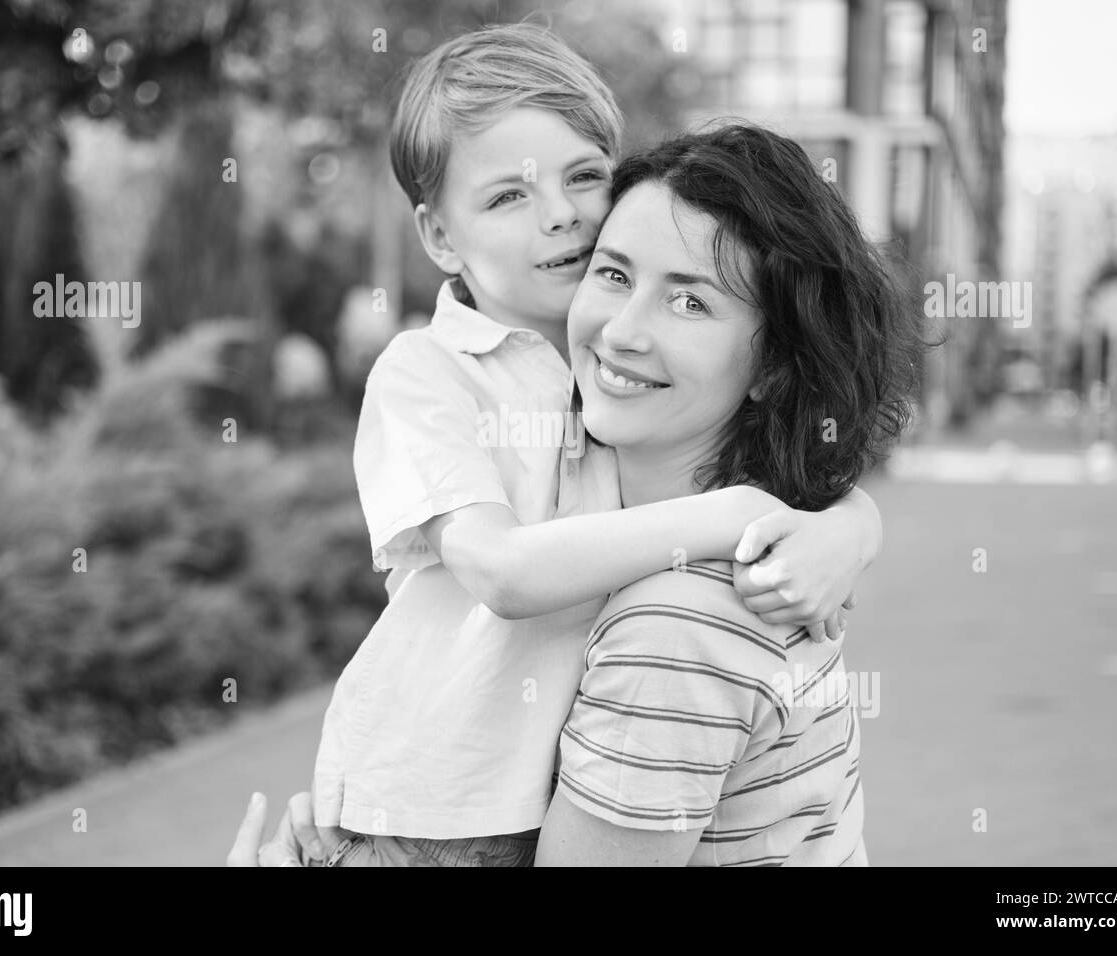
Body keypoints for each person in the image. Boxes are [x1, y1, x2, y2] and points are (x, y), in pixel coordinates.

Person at [230, 25, 882, 868]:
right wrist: (742, 516)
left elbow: (796, 486)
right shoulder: (428, 375)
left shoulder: (599, 378)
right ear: (437, 238)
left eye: (584, 178)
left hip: (541, 787)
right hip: (438, 811)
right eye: (507, 198)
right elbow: (502, 571)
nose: (561, 215)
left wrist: (848, 528)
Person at [535, 125, 918, 865]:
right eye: (613, 275)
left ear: (774, 364)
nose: (621, 332)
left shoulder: (676, 629)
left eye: (689, 305)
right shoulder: (776, 543)